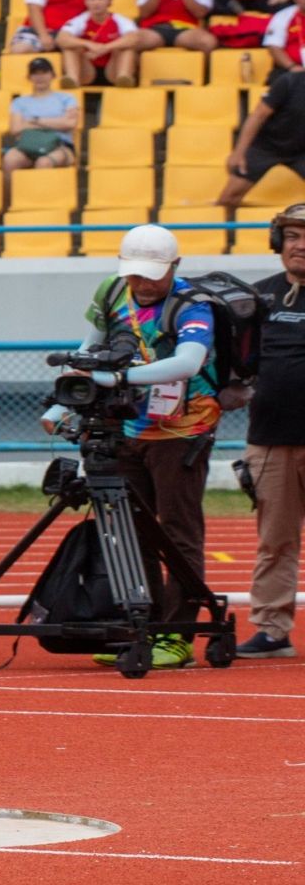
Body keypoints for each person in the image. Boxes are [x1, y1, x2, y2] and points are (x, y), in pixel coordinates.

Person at [42, 225, 218, 670]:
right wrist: (70, 396)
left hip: (181, 432)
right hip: (125, 428)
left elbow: (189, 361)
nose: (142, 283)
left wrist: (120, 378)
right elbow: (91, 345)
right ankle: (144, 627)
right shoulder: (112, 291)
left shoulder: (190, 305)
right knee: (130, 531)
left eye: (152, 275)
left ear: (175, 267)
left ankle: (178, 635)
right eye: (135, 274)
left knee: (177, 531)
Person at [240, 204, 305, 658]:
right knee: (275, 540)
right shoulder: (257, 298)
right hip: (270, 439)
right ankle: (272, 629)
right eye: (292, 235)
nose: (299, 245)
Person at [222, 69, 305, 208]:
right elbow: (258, 115)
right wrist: (239, 153)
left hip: (301, 151)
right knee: (228, 199)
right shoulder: (288, 82)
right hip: (266, 146)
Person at [3, 58, 80, 189]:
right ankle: (12, 202)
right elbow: (15, 129)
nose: (40, 77)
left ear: (52, 75)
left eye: (44, 72)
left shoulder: (67, 98)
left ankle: (40, 203)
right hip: (28, 146)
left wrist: (35, 121)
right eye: (35, 73)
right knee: (10, 160)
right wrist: (55, 122)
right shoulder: (19, 102)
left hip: (59, 146)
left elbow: (70, 123)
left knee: (44, 162)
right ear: (29, 77)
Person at [57, 0, 141, 89]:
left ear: (109, 1)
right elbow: (61, 38)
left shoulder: (121, 20)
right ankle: (72, 79)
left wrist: (106, 48)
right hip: (87, 68)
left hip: (112, 68)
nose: (96, 3)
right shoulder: (79, 20)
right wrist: (88, 44)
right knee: (71, 47)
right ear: (86, 2)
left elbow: (133, 38)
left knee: (126, 48)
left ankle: (123, 77)